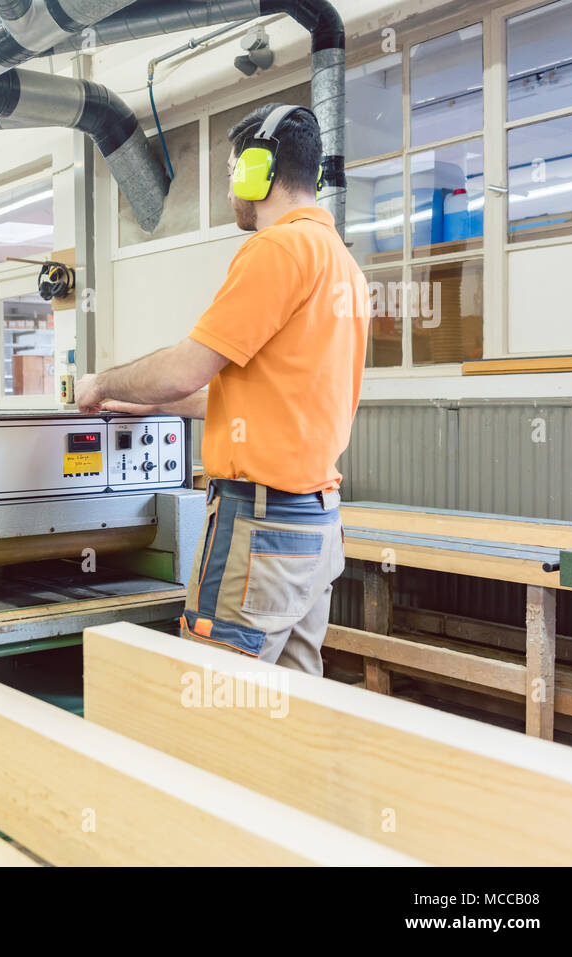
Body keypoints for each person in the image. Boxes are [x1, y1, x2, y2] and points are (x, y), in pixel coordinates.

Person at [74, 103, 370, 675]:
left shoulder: (277, 249)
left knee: (215, 699)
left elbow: (188, 367)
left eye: (232, 172)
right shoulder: (341, 264)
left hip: (259, 527)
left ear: (256, 171)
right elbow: (249, 395)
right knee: (290, 702)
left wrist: (99, 382)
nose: (230, 189)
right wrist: (152, 401)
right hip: (315, 525)